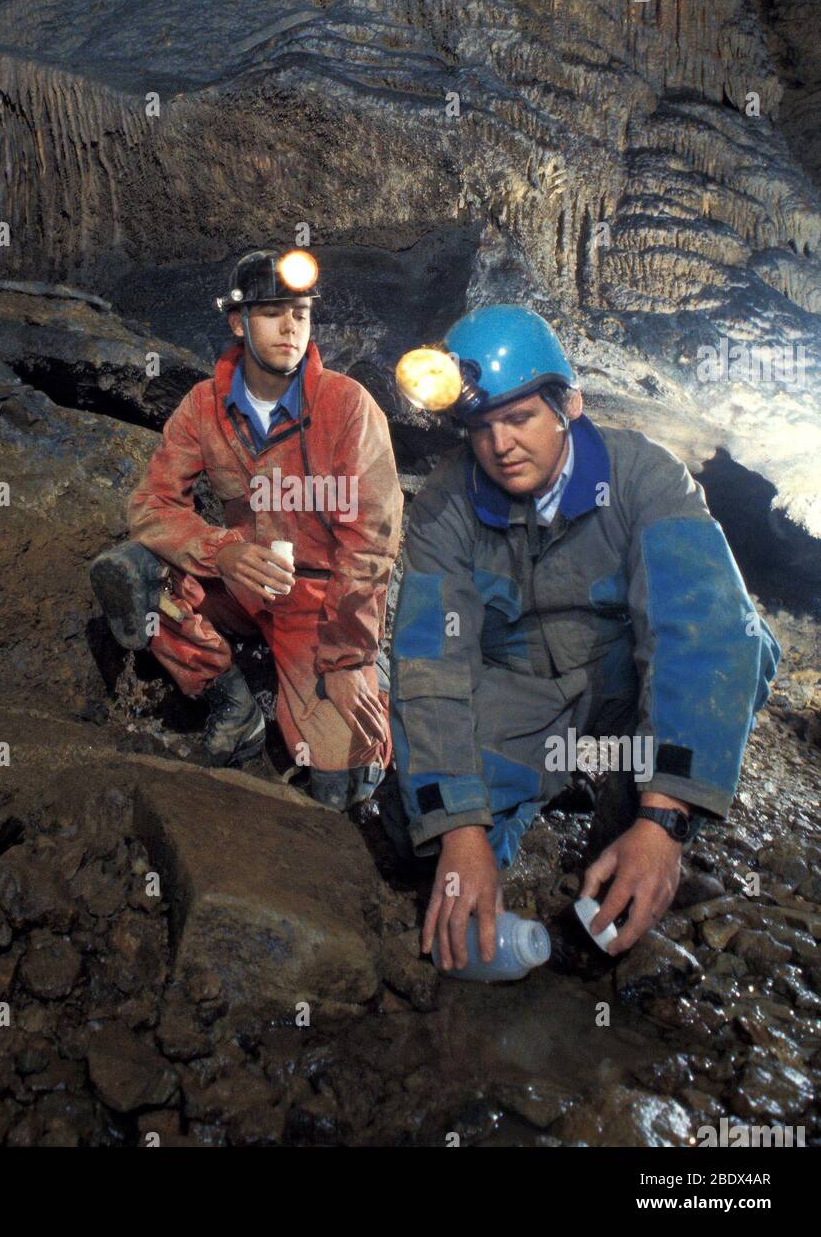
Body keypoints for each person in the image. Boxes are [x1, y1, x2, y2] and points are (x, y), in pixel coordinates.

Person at [387, 304, 780, 970]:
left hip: (623, 684)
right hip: (526, 691)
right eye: (481, 427)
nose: (500, 444)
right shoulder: (446, 505)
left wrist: (665, 819)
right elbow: (432, 661)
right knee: (413, 832)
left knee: (741, 643)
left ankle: (629, 807)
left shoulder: (643, 477)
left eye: (518, 418)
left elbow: (698, 633)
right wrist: (459, 829)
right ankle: (538, 797)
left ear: (568, 403)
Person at [91, 249, 403, 810]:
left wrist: (348, 657)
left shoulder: (346, 406)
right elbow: (152, 503)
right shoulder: (204, 406)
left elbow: (370, 544)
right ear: (238, 323)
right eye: (272, 312)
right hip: (243, 580)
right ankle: (231, 700)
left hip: (318, 602)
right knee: (131, 574)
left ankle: (372, 684)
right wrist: (221, 552)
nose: (291, 327)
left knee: (342, 783)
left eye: (301, 314)